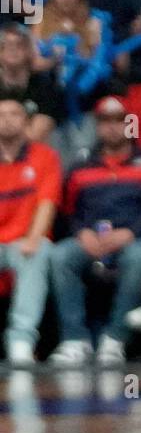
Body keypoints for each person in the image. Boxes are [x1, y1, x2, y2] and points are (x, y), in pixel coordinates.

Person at [49, 94, 141, 366]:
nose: (112, 127)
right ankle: (74, 340)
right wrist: (81, 232)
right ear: (97, 125)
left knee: (140, 255)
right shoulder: (81, 165)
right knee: (60, 256)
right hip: (90, 239)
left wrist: (130, 232)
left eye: (119, 120)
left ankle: (115, 339)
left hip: (133, 239)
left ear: (130, 123)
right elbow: (67, 211)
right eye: (105, 120)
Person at [0, 97, 61, 365]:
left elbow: (46, 204)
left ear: (26, 123)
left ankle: (21, 342)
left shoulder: (44, 156)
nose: (7, 120)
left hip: (23, 241)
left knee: (38, 252)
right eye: (1, 114)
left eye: (14, 114)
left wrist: (34, 238)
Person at [0, 24, 65, 142]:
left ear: (30, 51)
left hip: (33, 154)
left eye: (19, 45)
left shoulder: (45, 86)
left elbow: (35, 135)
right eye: (6, 45)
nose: (12, 49)